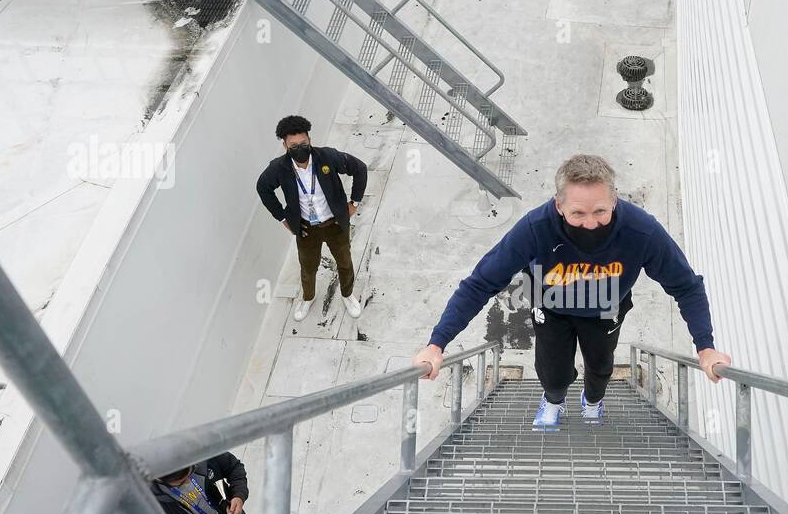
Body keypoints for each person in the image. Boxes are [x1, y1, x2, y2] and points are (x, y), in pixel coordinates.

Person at [413, 154, 731, 429]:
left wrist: (705, 347)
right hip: (551, 309)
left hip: (606, 310)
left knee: (600, 366)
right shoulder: (535, 228)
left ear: (615, 201)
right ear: (559, 205)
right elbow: (481, 282)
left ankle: (592, 401)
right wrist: (437, 343)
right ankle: (554, 401)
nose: (591, 224)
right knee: (551, 369)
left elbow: (686, 285)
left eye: (600, 212)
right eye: (578, 213)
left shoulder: (641, 232)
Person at [256, 114, 367, 322]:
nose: (299, 148)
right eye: (293, 145)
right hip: (306, 229)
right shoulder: (279, 168)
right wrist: (282, 217)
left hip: (334, 224)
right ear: (285, 146)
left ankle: (347, 294)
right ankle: (308, 297)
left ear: (310, 140)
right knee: (308, 267)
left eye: (303, 143)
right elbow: (263, 188)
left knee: (344, 261)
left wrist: (354, 203)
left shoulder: (328, 157)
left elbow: (359, 168)